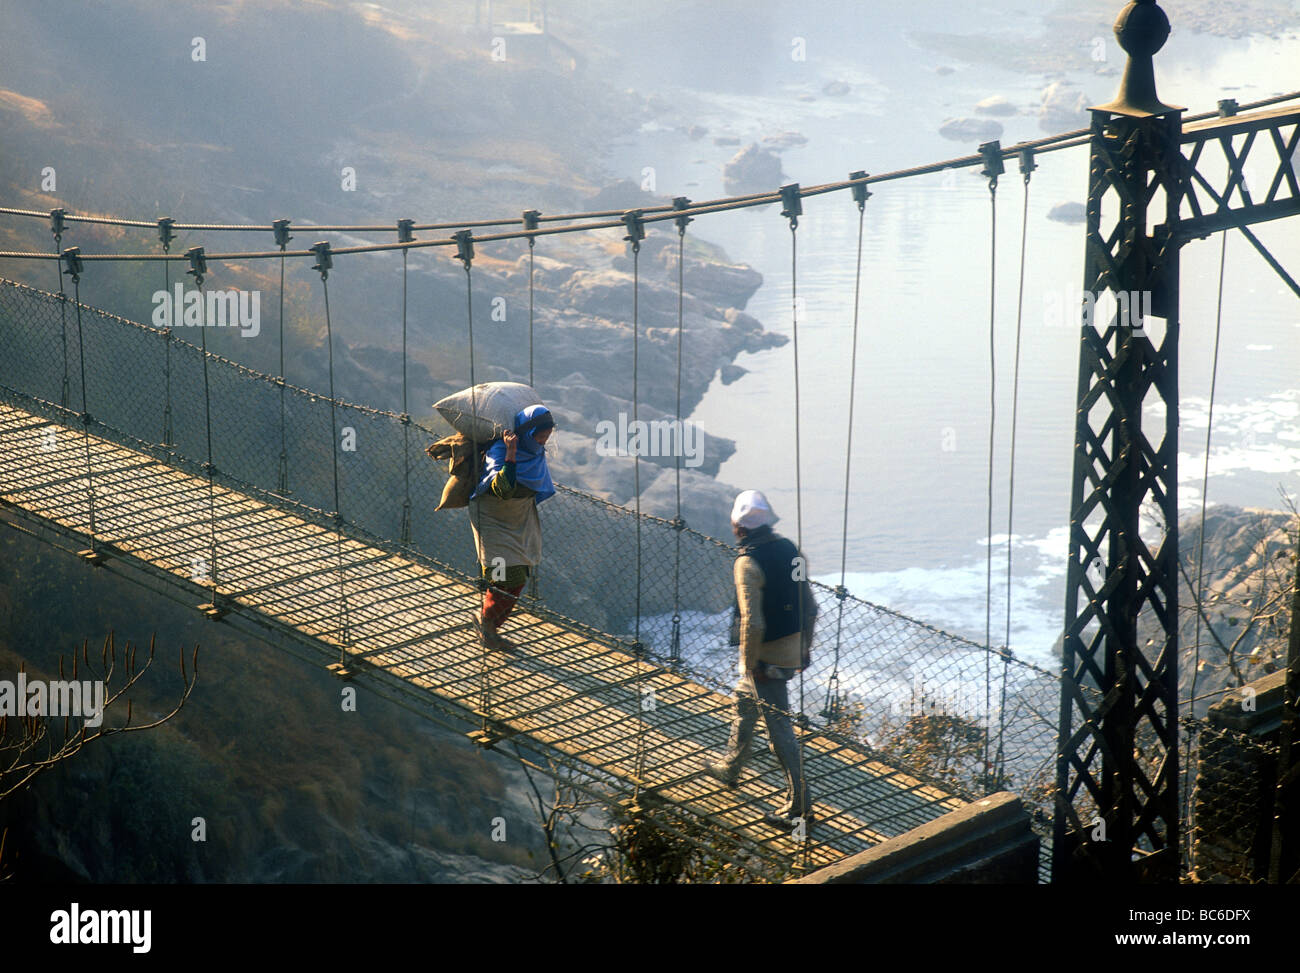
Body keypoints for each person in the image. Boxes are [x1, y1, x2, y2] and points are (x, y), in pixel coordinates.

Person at [703, 489, 818, 829]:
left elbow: (752, 622)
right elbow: (810, 606)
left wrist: (751, 665)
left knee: (779, 732)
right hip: (791, 647)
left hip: (765, 660)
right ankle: (732, 767)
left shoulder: (747, 563)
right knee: (743, 702)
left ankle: (801, 809)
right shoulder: (790, 550)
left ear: (738, 527)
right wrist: (804, 649)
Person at [466, 404, 556, 650]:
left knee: (516, 574)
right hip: (493, 516)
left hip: (518, 517)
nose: (543, 440)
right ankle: (488, 626)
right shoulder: (500, 450)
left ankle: (488, 625)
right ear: (527, 432)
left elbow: (536, 488)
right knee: (505, 575)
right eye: (539, 435)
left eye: (546, 436)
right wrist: (511, 453)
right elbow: (501, 489)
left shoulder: (536, 452)